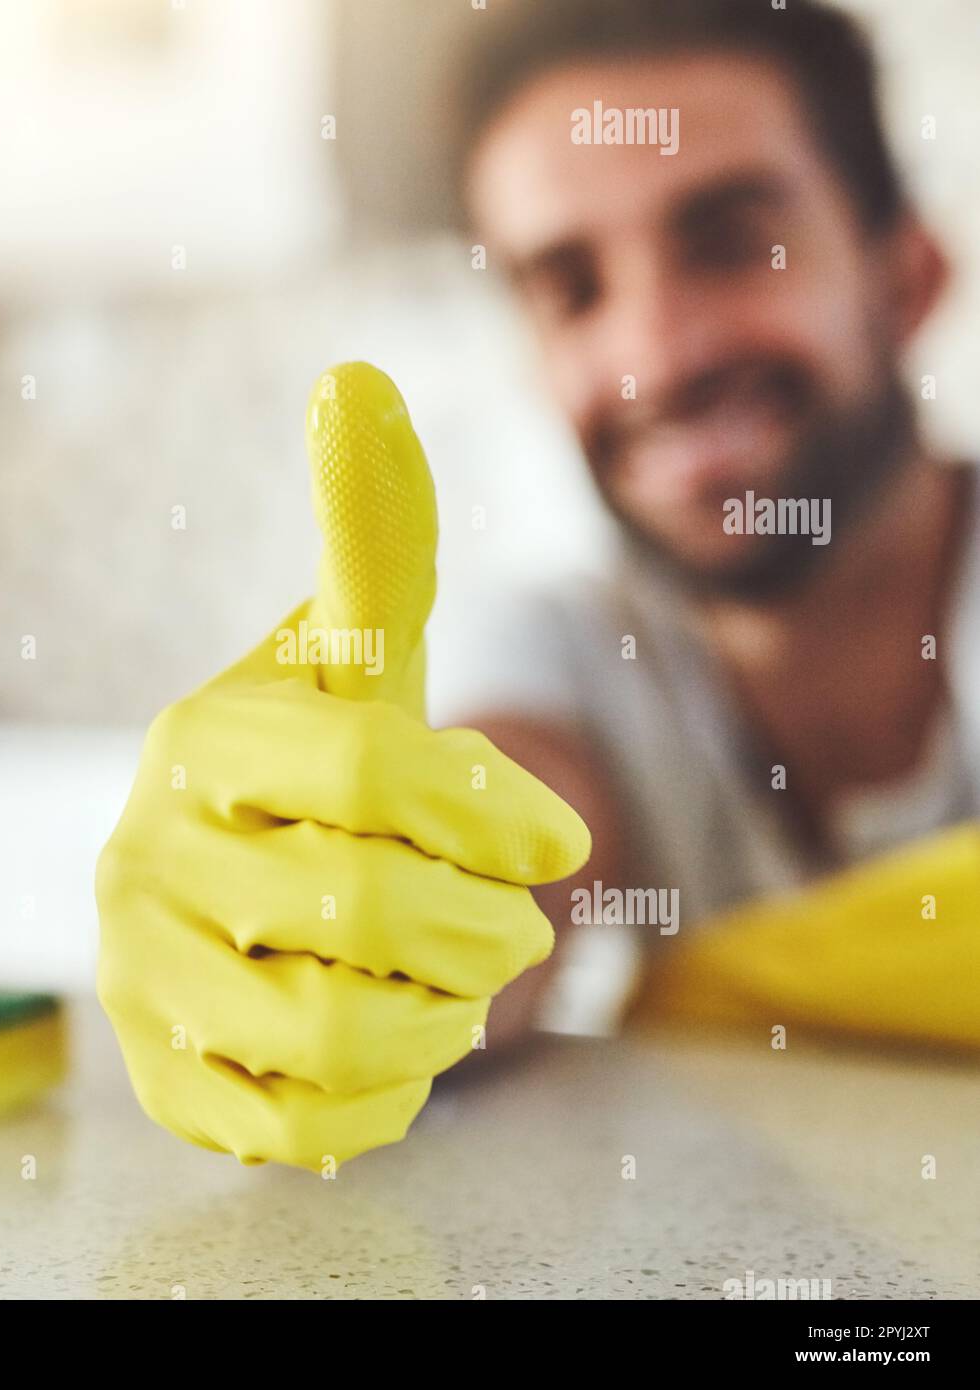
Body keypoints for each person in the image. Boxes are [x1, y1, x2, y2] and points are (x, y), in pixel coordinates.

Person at [96, 0, 979, 1168]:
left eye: (729, 243)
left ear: (903, 277)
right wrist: (351, 922)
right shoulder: (569, 645)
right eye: (570, 286)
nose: (654, 353)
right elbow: (506, 841)